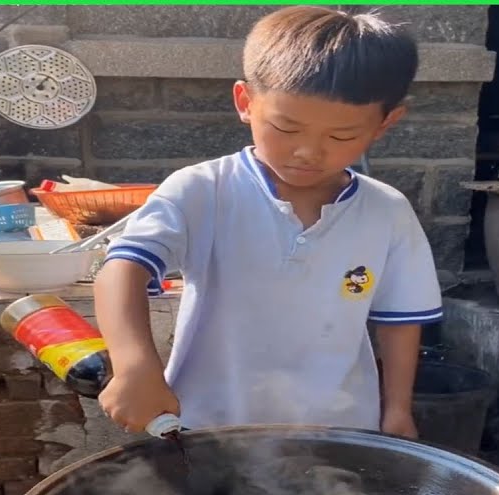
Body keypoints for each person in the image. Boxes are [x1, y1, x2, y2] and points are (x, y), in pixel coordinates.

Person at [94, 6, 441, 438]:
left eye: (341, 136)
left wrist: (397, 411)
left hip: (340, 430)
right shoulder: (203, 190)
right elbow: (121, 271)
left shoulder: (387, 211)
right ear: (245, 102)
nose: (308, 153)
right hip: (207, 425)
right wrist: (135, 366)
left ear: (385, 124)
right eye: (286, 127)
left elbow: (401, 319)